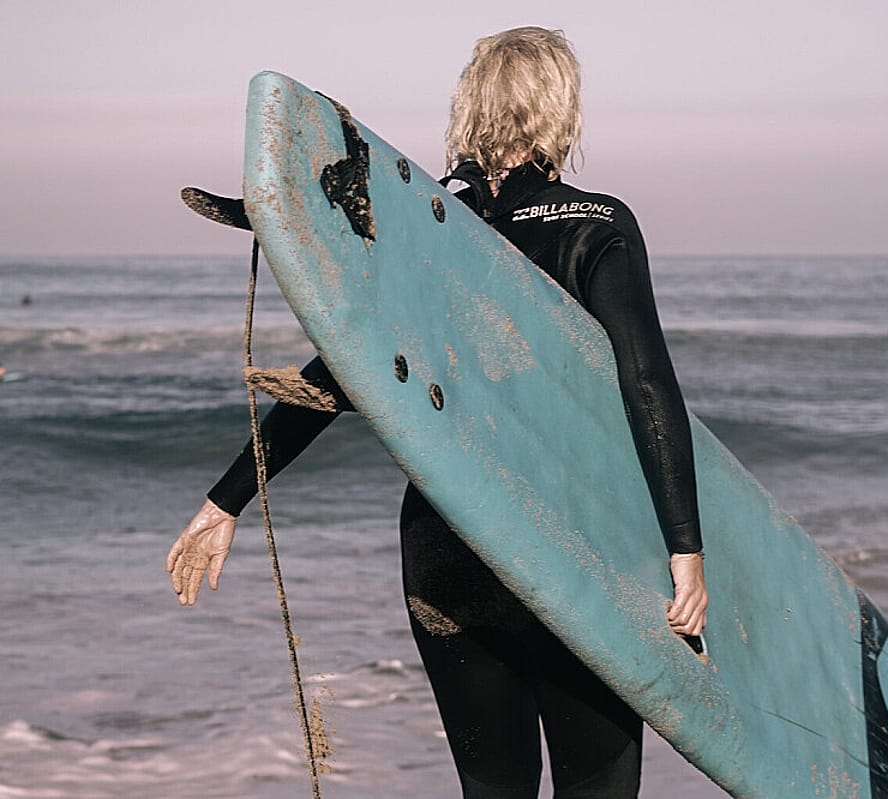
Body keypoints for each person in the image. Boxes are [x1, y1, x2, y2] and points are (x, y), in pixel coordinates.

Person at [167, 26, 708, 798]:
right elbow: (646, 383)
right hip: (565, 550)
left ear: (468, 110)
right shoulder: (596, 222)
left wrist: (225, 501)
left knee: (492, 788)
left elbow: (337, 374)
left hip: (442, 551)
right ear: (563, 113)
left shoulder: (424, 238)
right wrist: (685, 546)